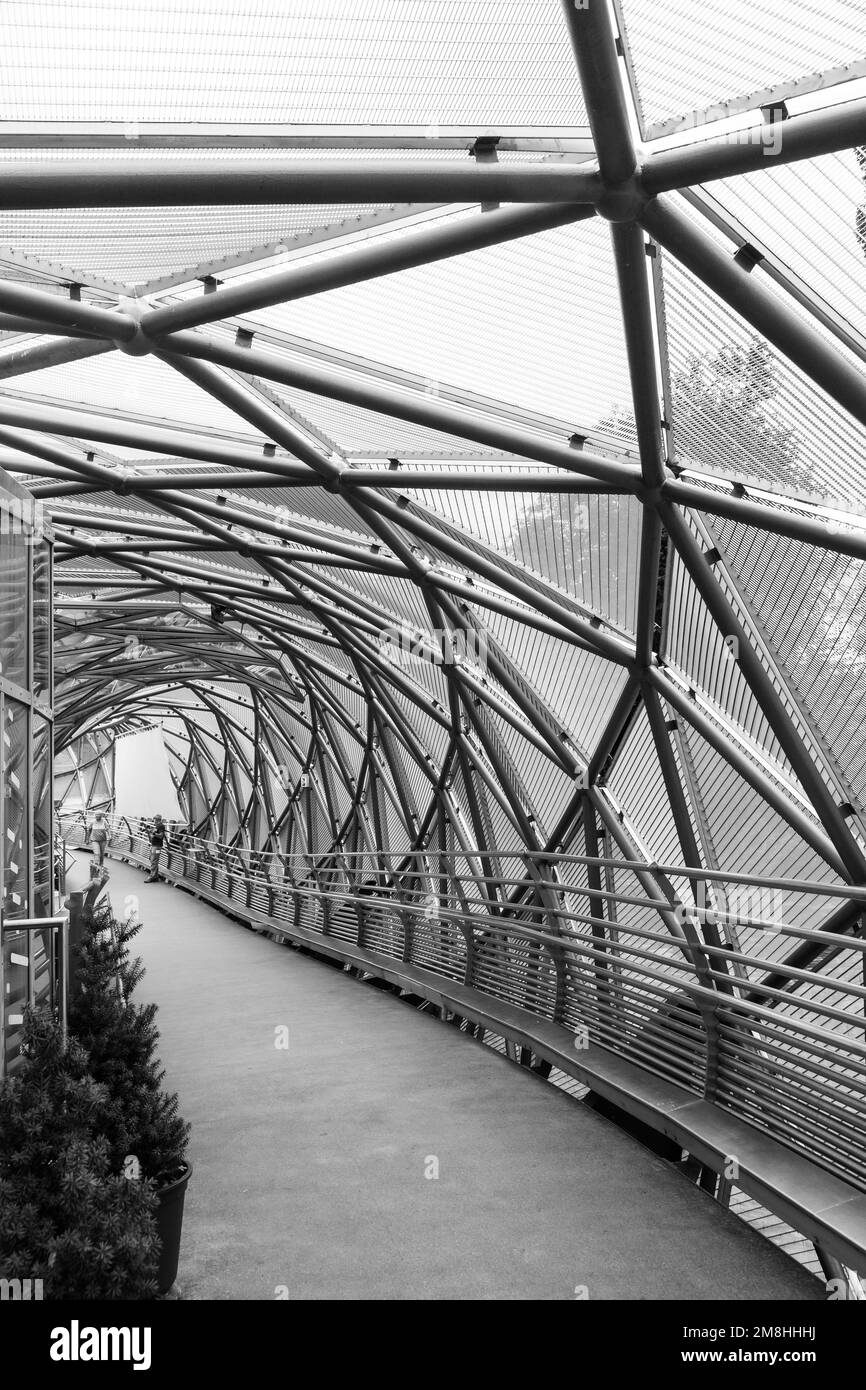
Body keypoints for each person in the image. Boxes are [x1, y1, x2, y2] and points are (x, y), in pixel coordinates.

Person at [144, 814, 166, 883]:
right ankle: (155, 876)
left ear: (158, 819)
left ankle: (152, 876)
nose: (154, 820)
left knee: (154, 860)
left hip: (157, 846)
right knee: (152, 859)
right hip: (154, 845)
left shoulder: (161, 826)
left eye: (155, 819)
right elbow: (154, 835)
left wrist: (153, 833)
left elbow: (161, 836)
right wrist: (149, 832)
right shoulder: (157, 826)